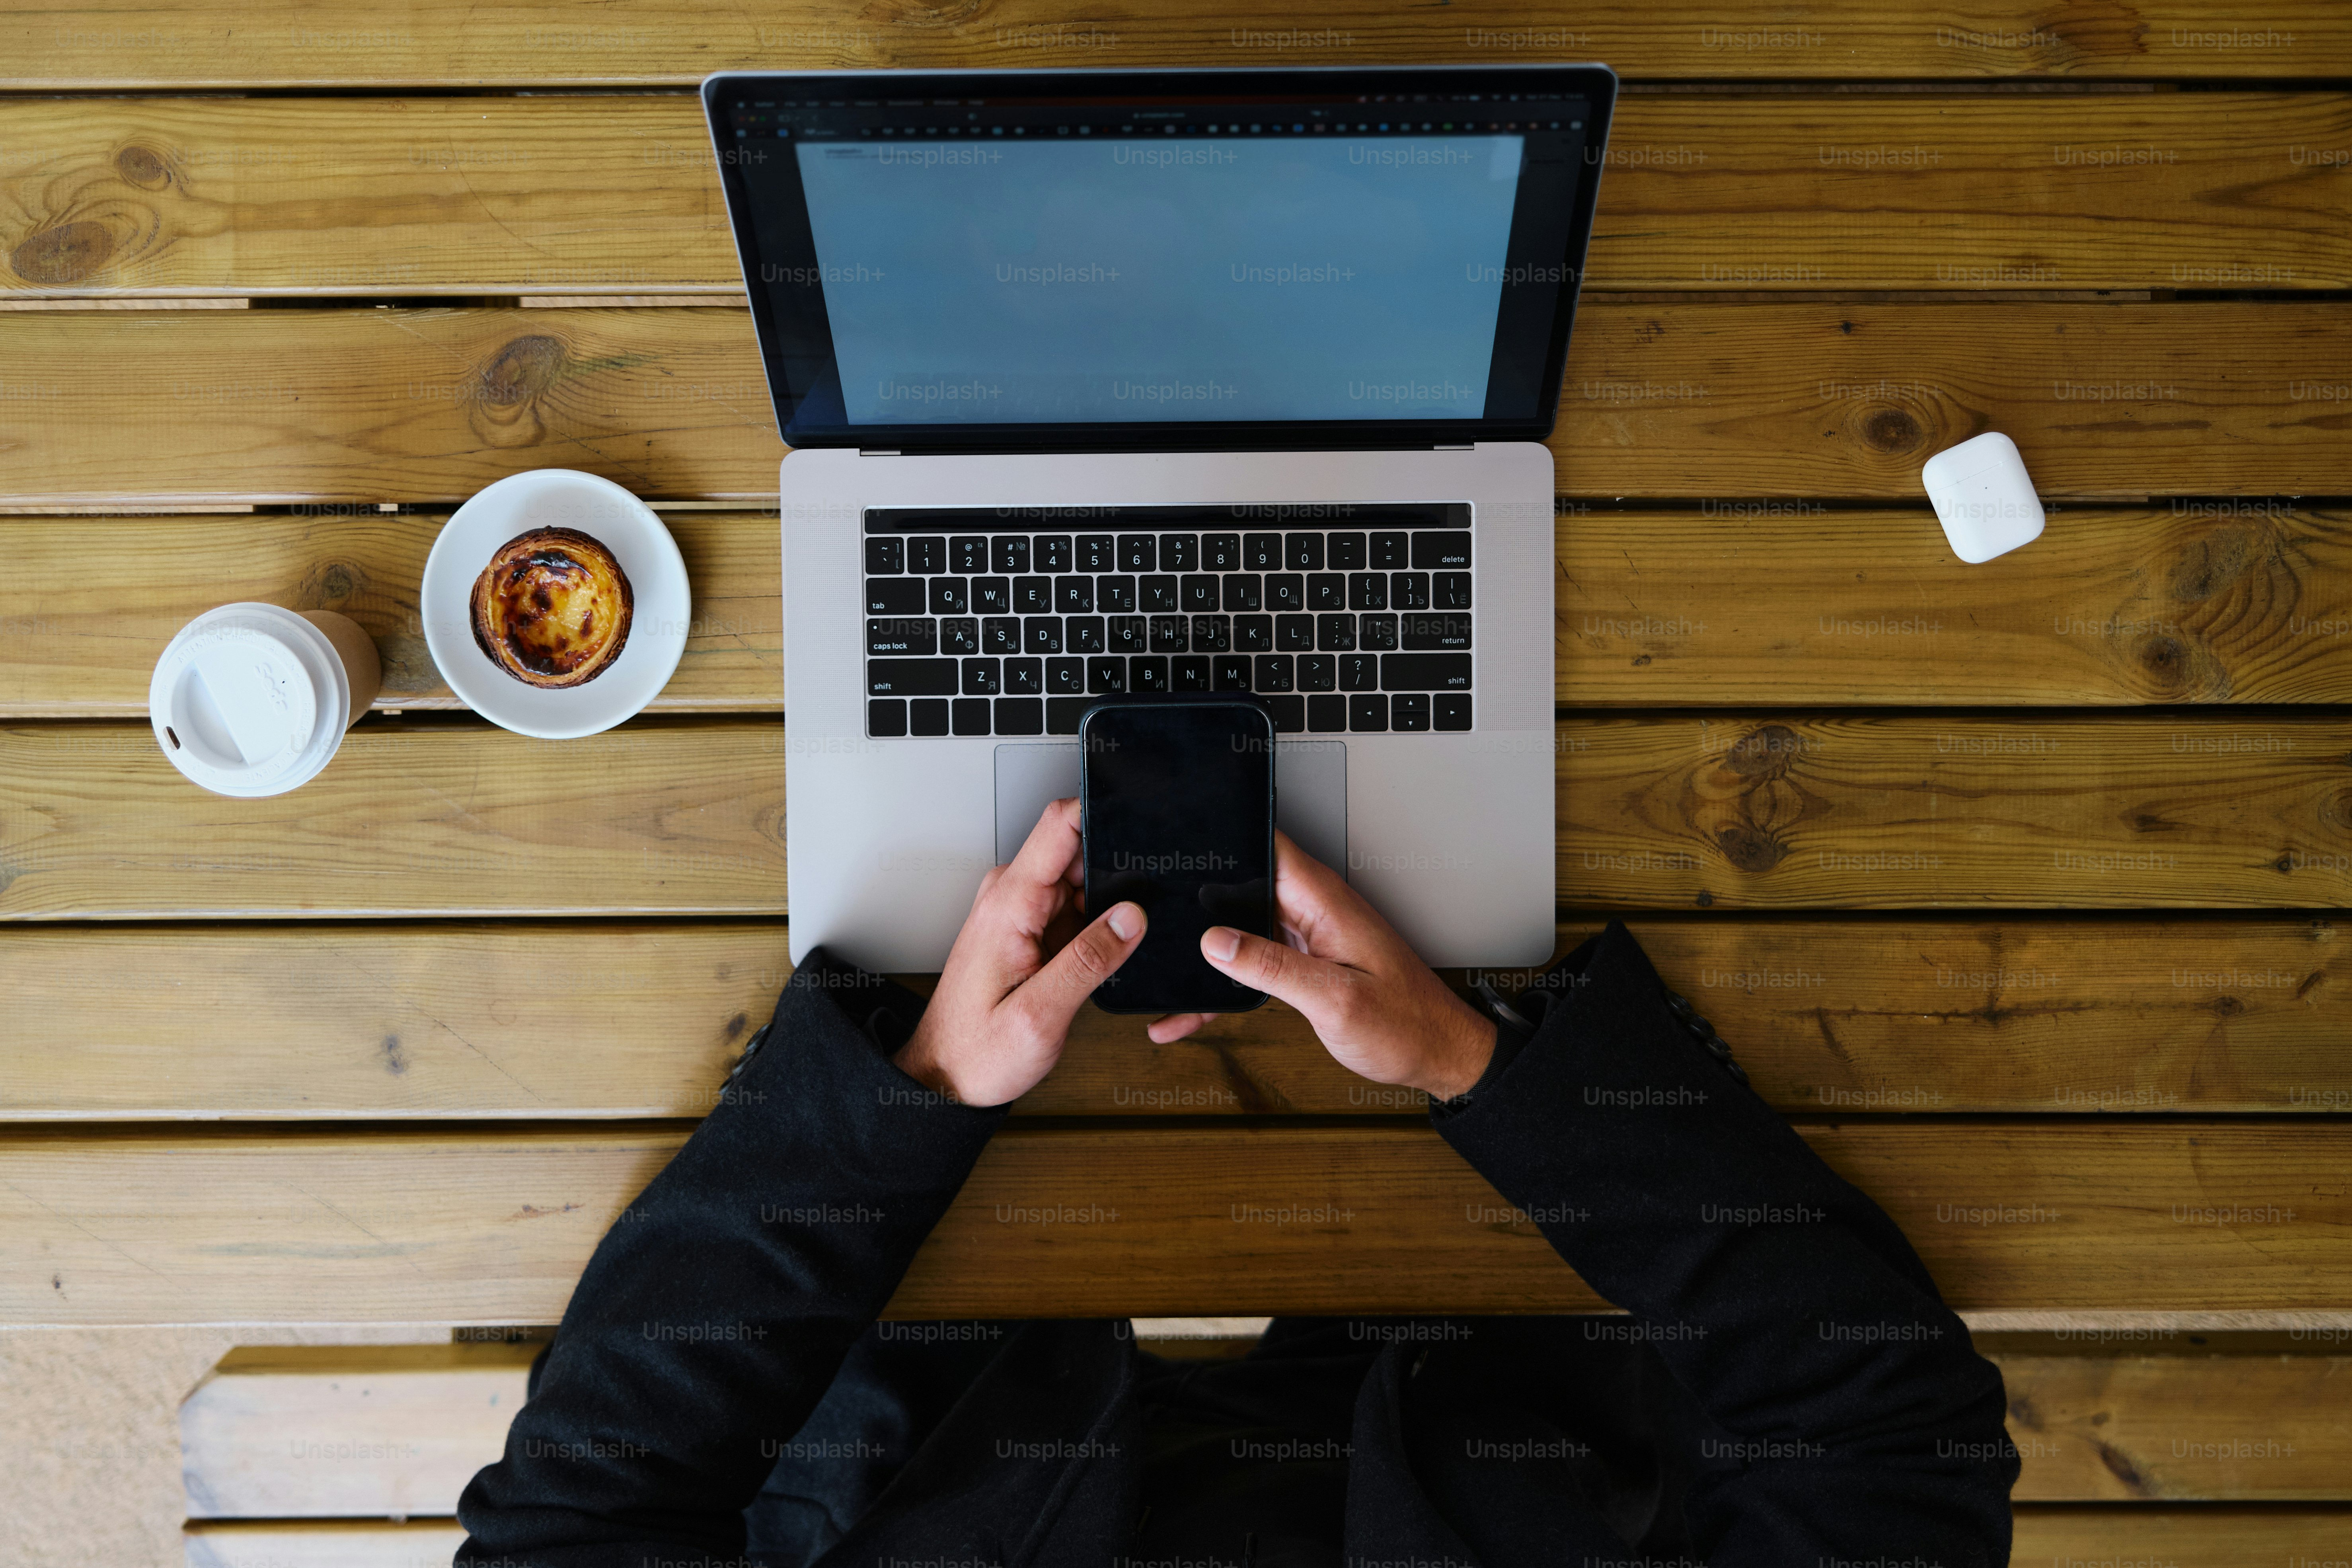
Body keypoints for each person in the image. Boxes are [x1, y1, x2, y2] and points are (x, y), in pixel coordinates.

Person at [457, 798, 2018, 1567]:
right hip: (1481, 1382)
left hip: (932, 1406)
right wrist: (1486, 1069)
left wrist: (912, 1097)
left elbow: (580, 1520)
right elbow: (1883, 1425)